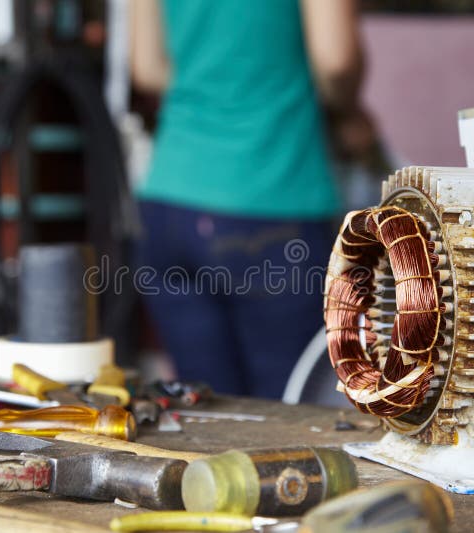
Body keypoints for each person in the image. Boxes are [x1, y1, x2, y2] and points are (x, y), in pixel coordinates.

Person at [129, 0, 366, 398]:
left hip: (171, 200)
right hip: (271, 198)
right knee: (284, 420)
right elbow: (336, 59)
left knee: (203, 417)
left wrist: (215, 88)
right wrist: (345, 109)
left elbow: (147, 67)